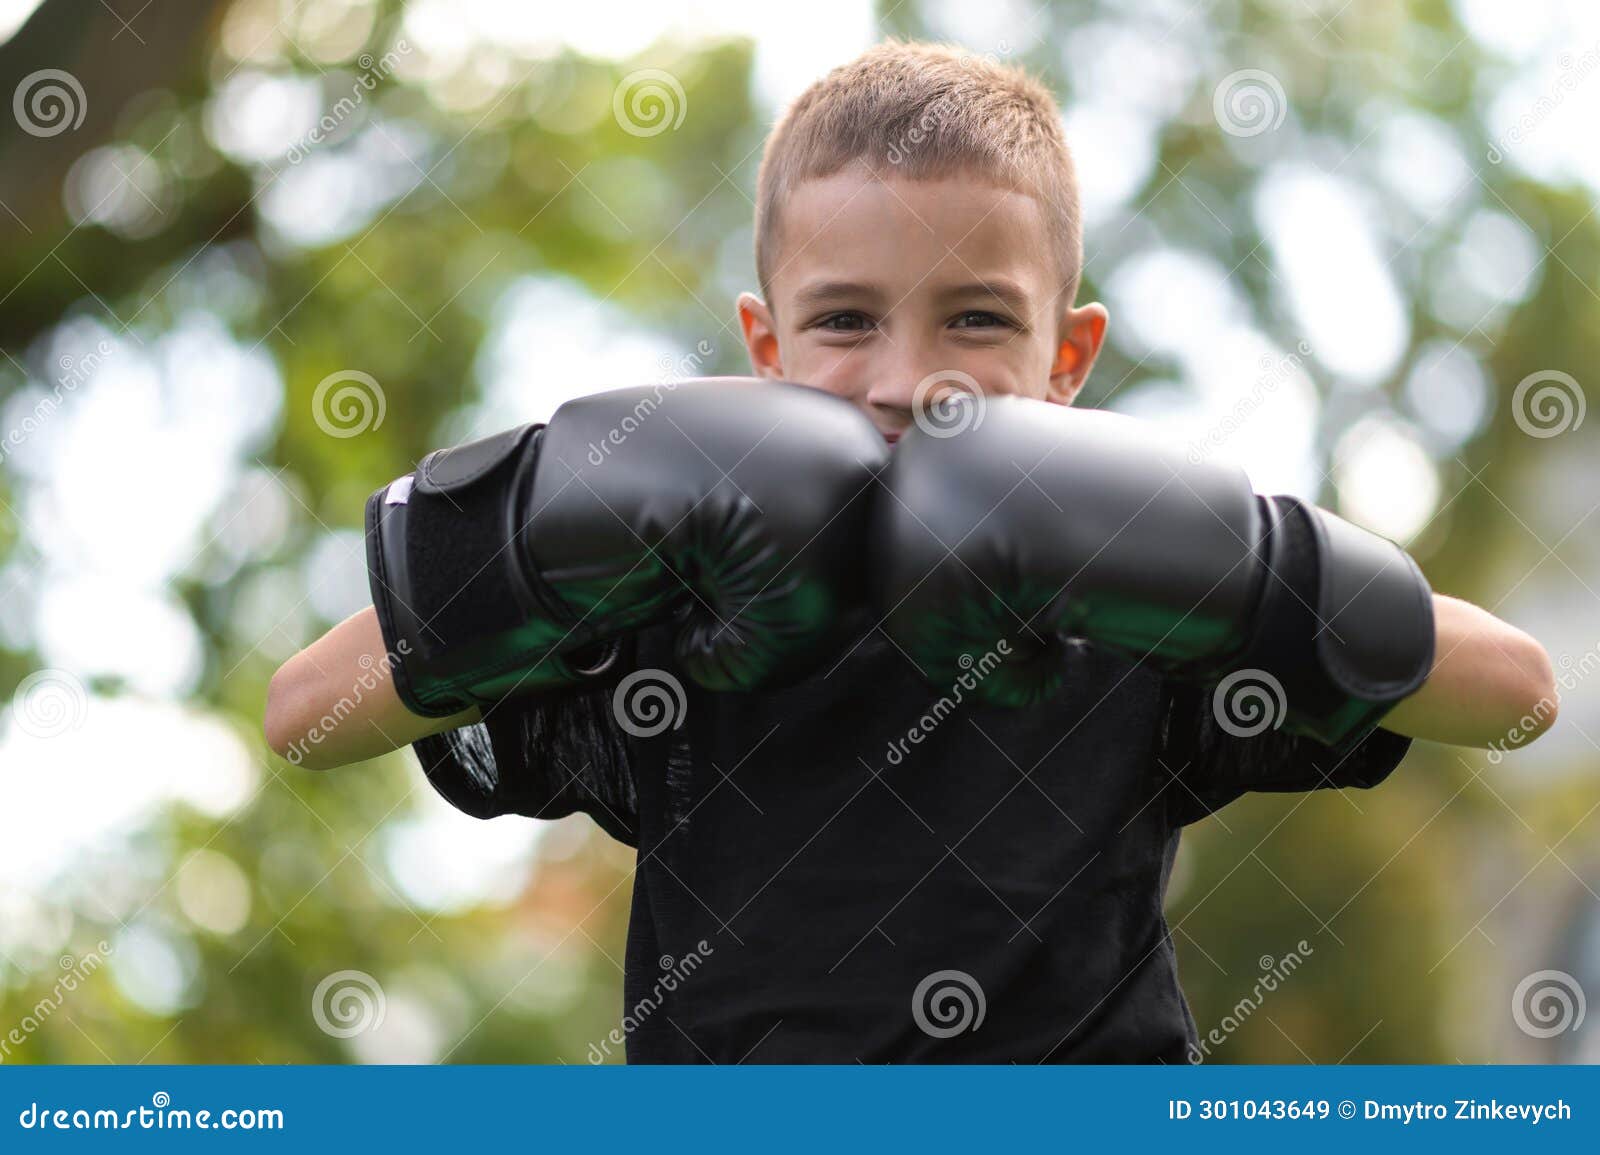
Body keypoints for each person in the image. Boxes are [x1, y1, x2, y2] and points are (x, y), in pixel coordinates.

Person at [263, 42, 1557, 1062]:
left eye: (978, 318)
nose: (908, 377)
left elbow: (1517, 694)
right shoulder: (668, 606)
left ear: (1070, 360)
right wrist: (534, 531)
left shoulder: (1128, 598)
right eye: (846, 320)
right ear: (764, 347)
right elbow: (305, 719)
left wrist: (1248, 563)